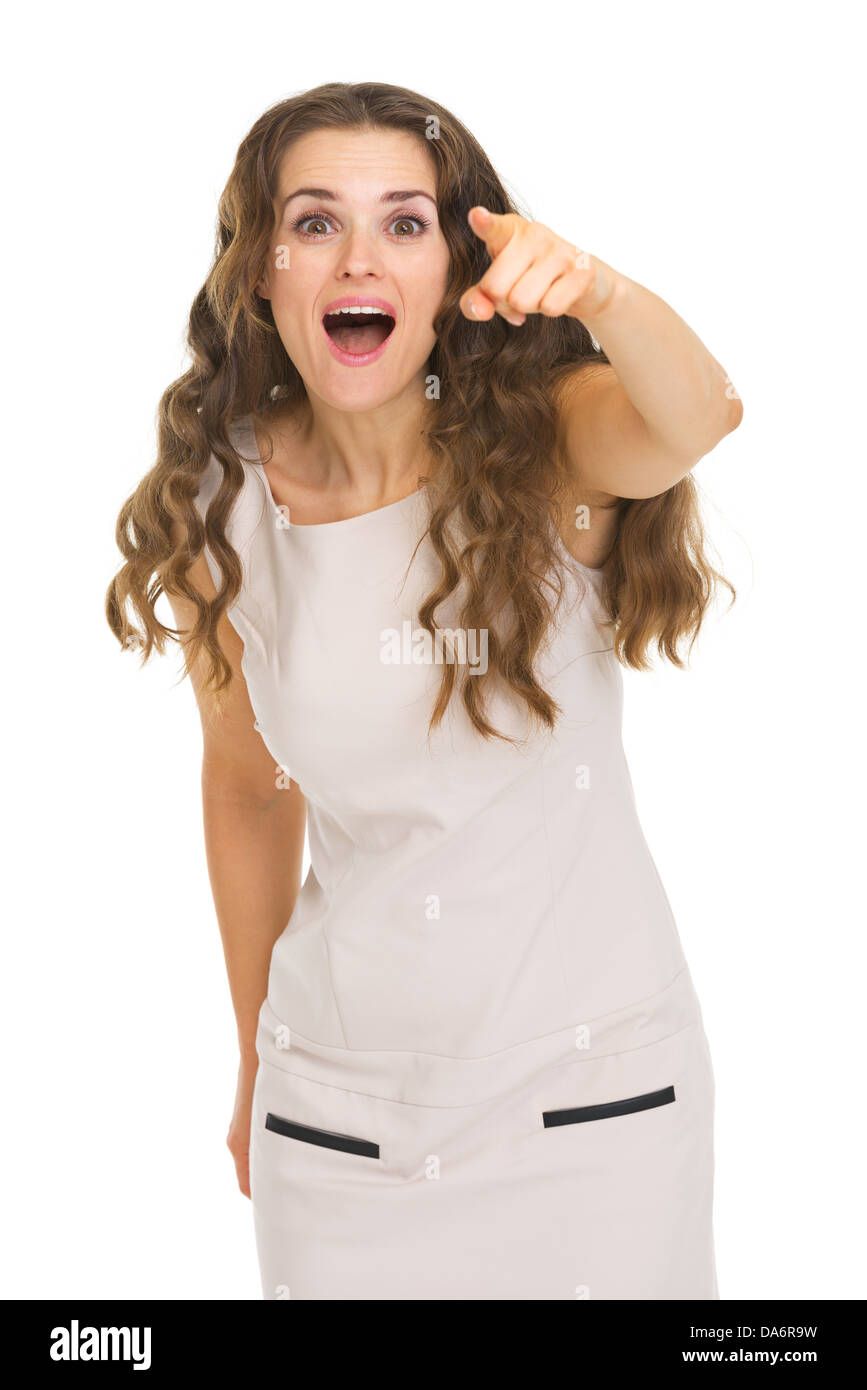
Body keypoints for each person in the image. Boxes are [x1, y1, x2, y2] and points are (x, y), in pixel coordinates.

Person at [106, 81, 743, 1301]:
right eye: (313, 222)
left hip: (597, 1108)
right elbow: (248, 789)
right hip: (340, 1123)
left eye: (406, 222)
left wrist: (598, 290)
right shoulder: (219, 501)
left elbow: (700, 411)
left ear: (458, 267)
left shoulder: (549, 445)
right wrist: (255, 1062)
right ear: (260, 274)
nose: (359, 255)